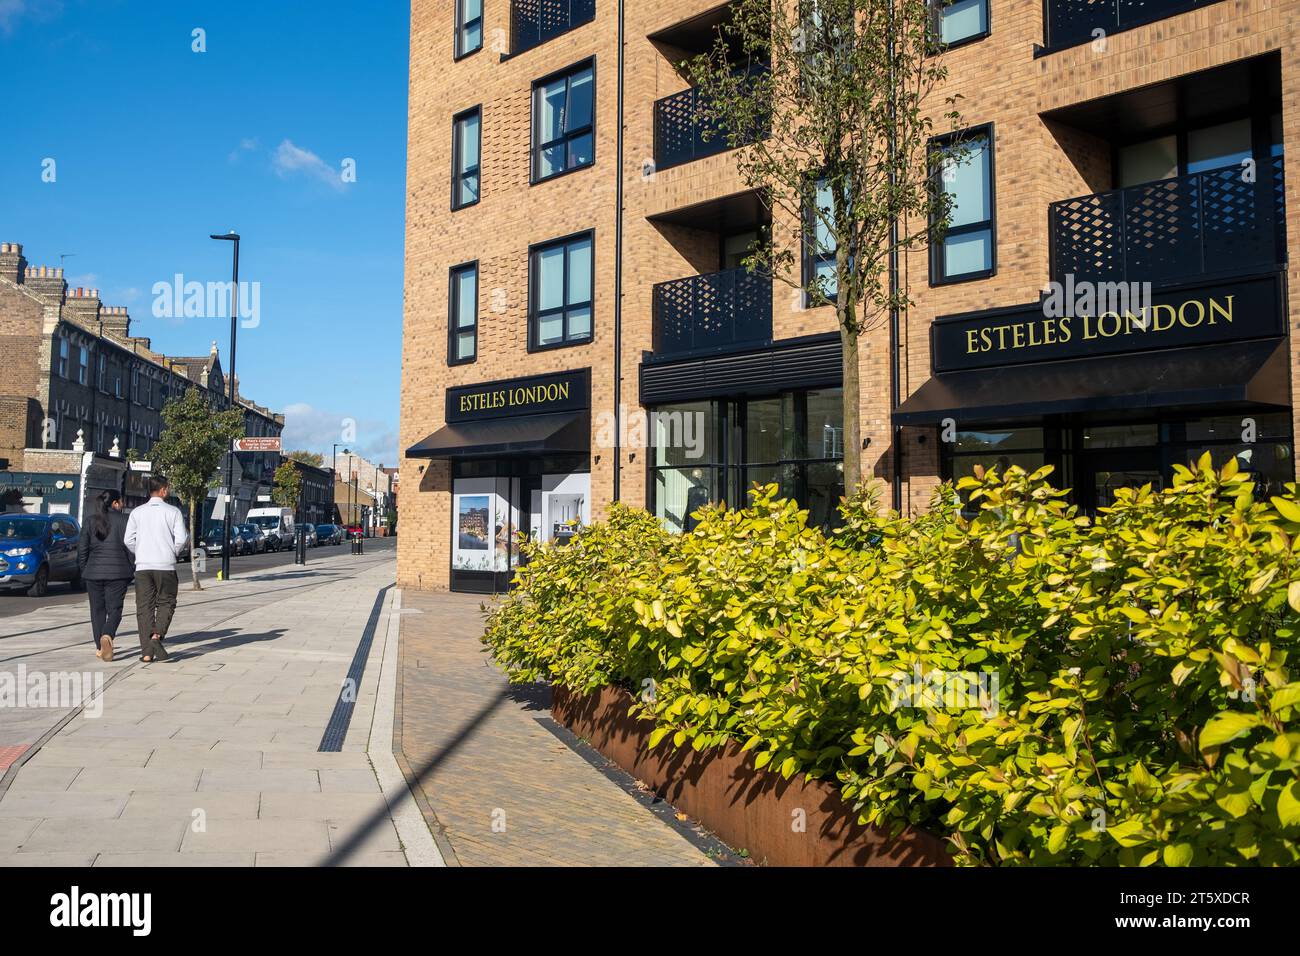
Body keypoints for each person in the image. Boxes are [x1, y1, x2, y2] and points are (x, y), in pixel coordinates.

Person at [123, 474, 188, 663]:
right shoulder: (172, 511)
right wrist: (172, 551)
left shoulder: (137, 512)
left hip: (142, 566)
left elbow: (128, 540)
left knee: (144, 607)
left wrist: (141, 552)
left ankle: (146, 653)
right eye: (167, 488)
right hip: (165, 565)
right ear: (163, 490)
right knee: (167, 602)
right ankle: (157, 636)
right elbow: (182, 538)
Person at [76, 490, 134, 662]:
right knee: (114, 609)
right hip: (118, 572)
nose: (122, 505)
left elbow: (82, 550)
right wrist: (131, 569)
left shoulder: (90, 521)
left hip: (93, 573)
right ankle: (107, 635)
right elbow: (131, 548)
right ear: (115, 503)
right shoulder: (124, 520)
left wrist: (85, 569)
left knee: (97, 611)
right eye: (121, 502)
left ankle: (100, 648)